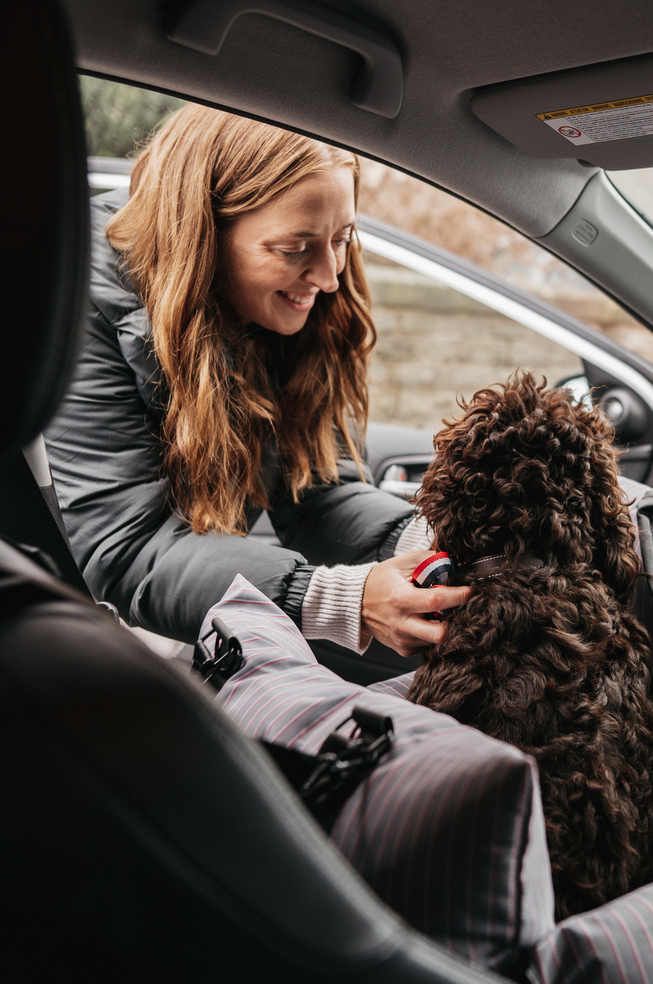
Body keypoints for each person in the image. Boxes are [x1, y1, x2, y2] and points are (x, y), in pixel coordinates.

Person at [45, 104, 468, 653]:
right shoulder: (77, 298)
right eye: (295, 250)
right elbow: (127, 549)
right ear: (203, 234)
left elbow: (313, 489)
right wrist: (338, 598)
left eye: (342, 239)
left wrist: (437, 542)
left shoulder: (293, 311)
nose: (330, 277)